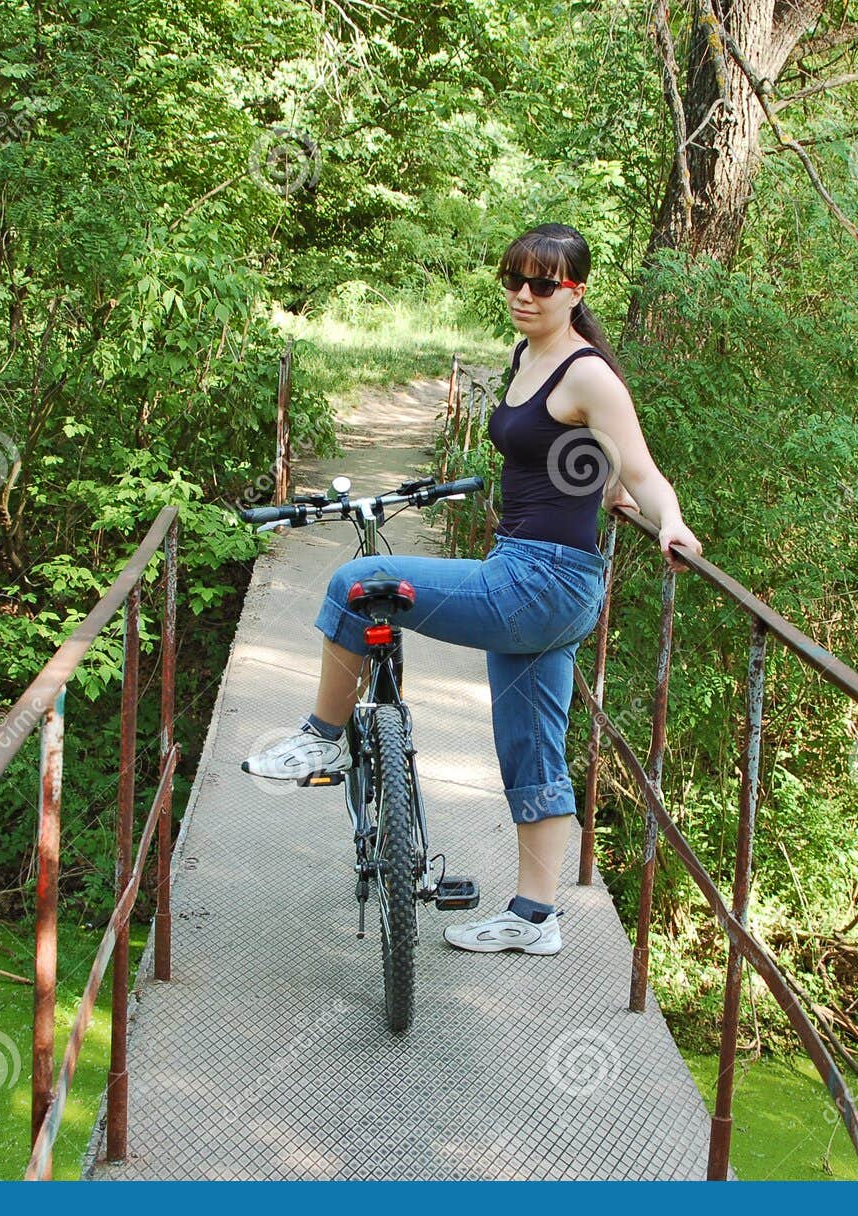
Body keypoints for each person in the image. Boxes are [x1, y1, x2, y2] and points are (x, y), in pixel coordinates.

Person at [242, 223, 702, 956]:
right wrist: (604, 484)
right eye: (513, 279)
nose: (524, 294)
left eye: (542, 284)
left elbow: (643, 468)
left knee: (358, 582)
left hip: (536, 582)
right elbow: (584, 458)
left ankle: (321, 739)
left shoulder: (588, 375)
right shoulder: (527, 355)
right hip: (541, 580)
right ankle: (534, 917)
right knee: (531, 748)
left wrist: (669, 523)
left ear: (576, 292)